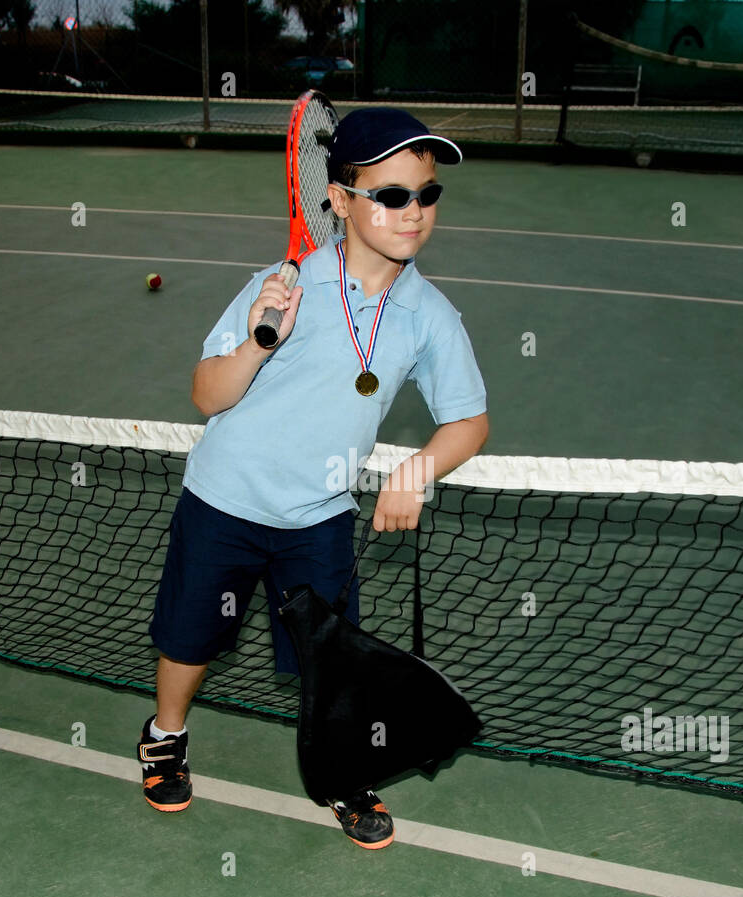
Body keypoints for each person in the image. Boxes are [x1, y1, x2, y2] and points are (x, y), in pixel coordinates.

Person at [138, 108, 489, 849]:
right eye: (390, 195)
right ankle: (165, 735)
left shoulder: (429, 314)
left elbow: (469, 421)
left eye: (425, 195)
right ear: (339, 201)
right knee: (190, 639)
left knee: (332, 660)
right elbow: (206, 394)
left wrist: (415, 470)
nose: (412, 212)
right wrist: (261, 342)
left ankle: (345, 771)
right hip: (224, 502)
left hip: (321, 518)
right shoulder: (283, 285)